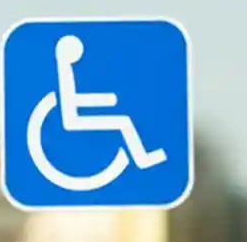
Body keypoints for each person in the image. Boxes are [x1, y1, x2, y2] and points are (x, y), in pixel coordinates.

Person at [54, 35, 167, 169]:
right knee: (123, 121)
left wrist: (107, 99)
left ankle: (142, 158)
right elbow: (72, 100)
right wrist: (106, 99)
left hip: (74, 116)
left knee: (123, 121)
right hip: (74, 119)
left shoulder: (65, 70)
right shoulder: (65, 72)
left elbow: (73, 98)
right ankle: (142, 159)